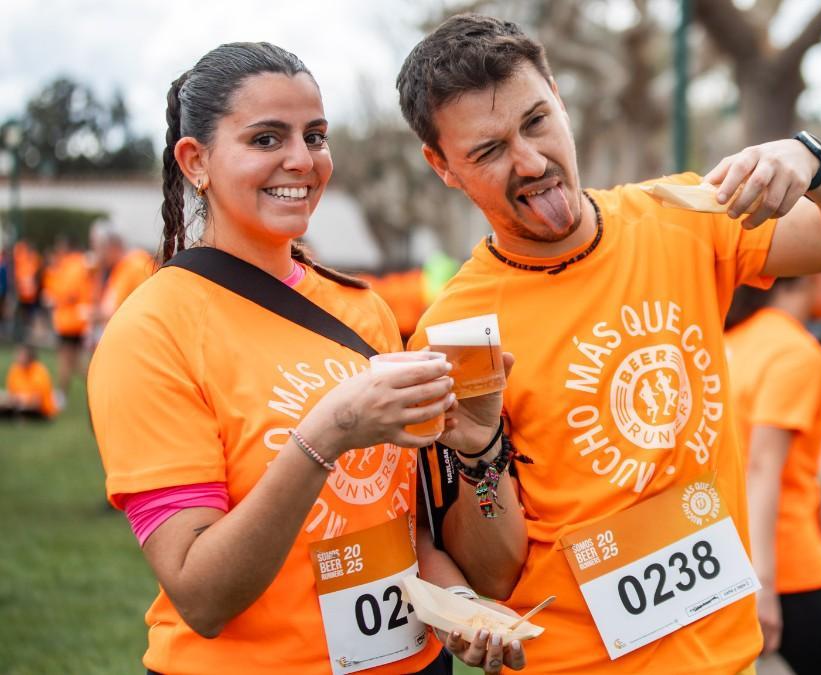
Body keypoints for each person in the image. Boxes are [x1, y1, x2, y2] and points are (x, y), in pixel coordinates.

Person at [396, 14, 821, 673]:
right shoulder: (451, 329)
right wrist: (480, 451)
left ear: (558, 94)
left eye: (537, 121)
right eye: (488, 151)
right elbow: (489, 572)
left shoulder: (681, 216)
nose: (530, 161)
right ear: (442, 166)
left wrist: (812, 161)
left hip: (725, 655)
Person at [87, 42, 525, 675]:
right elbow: (202, 595)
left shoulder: (364, 309)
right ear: (196, 161)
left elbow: (399, 525)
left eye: (315, 136)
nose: (301, 159)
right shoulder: (153, 330)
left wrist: (458, 605)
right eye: (266, 139)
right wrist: (330, 431)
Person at [725, 279, 821, 674]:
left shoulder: (728, 341)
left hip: (722, 549)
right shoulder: (793, 350)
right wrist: (764, 582)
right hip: (783, 556)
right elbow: (761, 466)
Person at [43, 236, 93, 406]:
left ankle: (62, 395)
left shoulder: (74, 266)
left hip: (70, 321)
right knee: (73, 362)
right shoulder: (71, 265)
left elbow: (71, 293)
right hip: (71, 320)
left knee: (66, 360)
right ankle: (93, 384)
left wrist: (55, 298)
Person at [89, 221, 153, 343]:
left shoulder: (135, 265)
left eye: (99, 247)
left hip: (132, 339)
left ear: (112, 246)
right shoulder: (120, 267)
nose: (98, 253)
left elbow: (139, 308)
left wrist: (98, 316)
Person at [2, 343, 57, 420]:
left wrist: (22, 399)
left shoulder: (39, 371)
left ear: (29, 357)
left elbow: (38, 400)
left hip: (41, 409)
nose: (18, 357)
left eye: (21, 355)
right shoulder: (15, 369)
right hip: (20, 404)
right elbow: (11, 393)